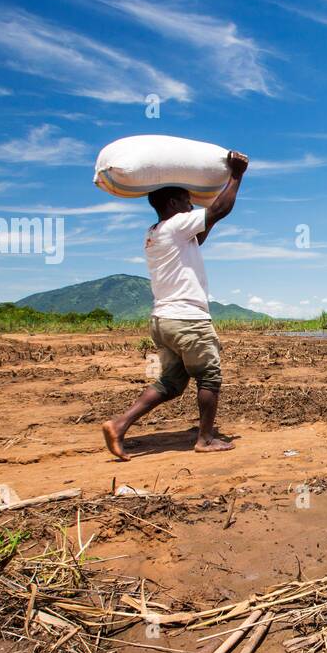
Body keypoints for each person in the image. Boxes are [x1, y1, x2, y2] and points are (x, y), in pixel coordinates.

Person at [102, 150, 249, 461]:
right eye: (186, 201)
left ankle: (119, 425)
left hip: (162, 321)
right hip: (187, 321)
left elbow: (204, 229)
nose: (191, 205)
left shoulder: (155, 234)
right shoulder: (177, 225)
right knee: (209, 376)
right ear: (172, 205)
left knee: (171, 382)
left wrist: (208, 213)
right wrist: (236, 175)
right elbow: (220, 209)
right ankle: (205, 439)